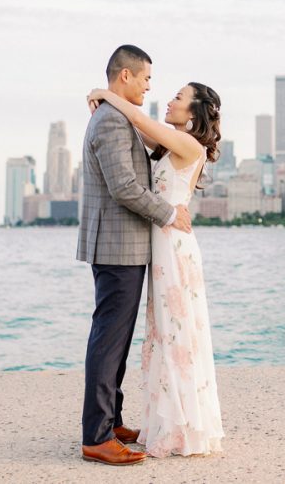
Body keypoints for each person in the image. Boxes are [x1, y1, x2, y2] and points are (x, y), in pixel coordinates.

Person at [87, 78, 225, 458]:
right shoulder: (168, 144)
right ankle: (165, 419)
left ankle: (182, 426)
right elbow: (134, 131)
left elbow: (135, 116)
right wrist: (110, 101)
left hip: (175, 248)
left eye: (179, 98)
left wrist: (103, 94)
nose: (169, 100)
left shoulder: (189, 145)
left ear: (194, 112)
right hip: (162, 245)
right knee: (165, 332)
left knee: (178, 334)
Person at [76, 45, 193, 466]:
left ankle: (111, 421)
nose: (149, 86)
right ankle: (96, 437)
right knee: (108, 340)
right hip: (116, 247)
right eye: (145, 78)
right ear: (125, 76)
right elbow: (124, 187)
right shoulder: (110, 120)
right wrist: (168, 215)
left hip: (123, 245)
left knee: (116, 340)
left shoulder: (117, 115)